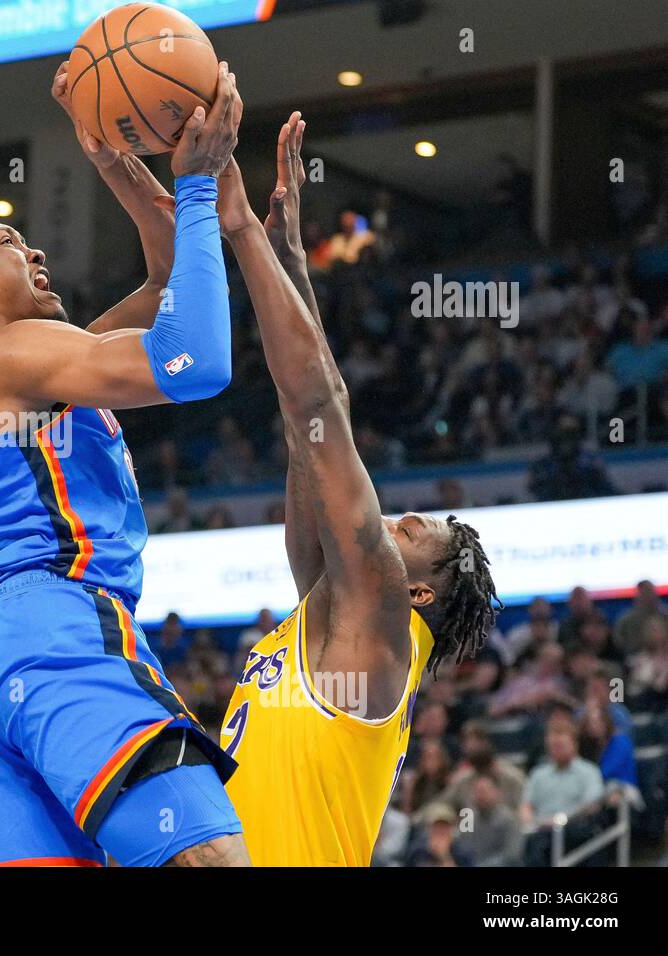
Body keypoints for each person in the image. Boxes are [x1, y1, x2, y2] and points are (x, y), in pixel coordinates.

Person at [0, 63, 247, 867]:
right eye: (5, 241)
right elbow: (196, 359)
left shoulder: (16, 365)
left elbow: (172, 280)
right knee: (206, 860)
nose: (32, 248)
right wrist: (199, 186)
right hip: (56, 629)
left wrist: (115, 161)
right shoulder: (6, 354)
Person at [214, 112, 500, 865]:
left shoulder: (379, 621)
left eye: (416, 534)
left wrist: (241, 226)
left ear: (420, 596)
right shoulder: (328, 603)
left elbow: (319, 405)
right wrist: (293, 268)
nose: (399, 517)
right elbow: (304, 416)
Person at [521, 712, 606, 866]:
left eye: (561, 746)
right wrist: (532, 820)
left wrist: (561, 820)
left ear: (574, 744)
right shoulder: (538, 774)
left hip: (575, 828)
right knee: (532, 843)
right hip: (542, 829)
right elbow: (526, 806)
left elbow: (592, 805)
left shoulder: (589, 771)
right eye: (553, 746)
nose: (556, 750)